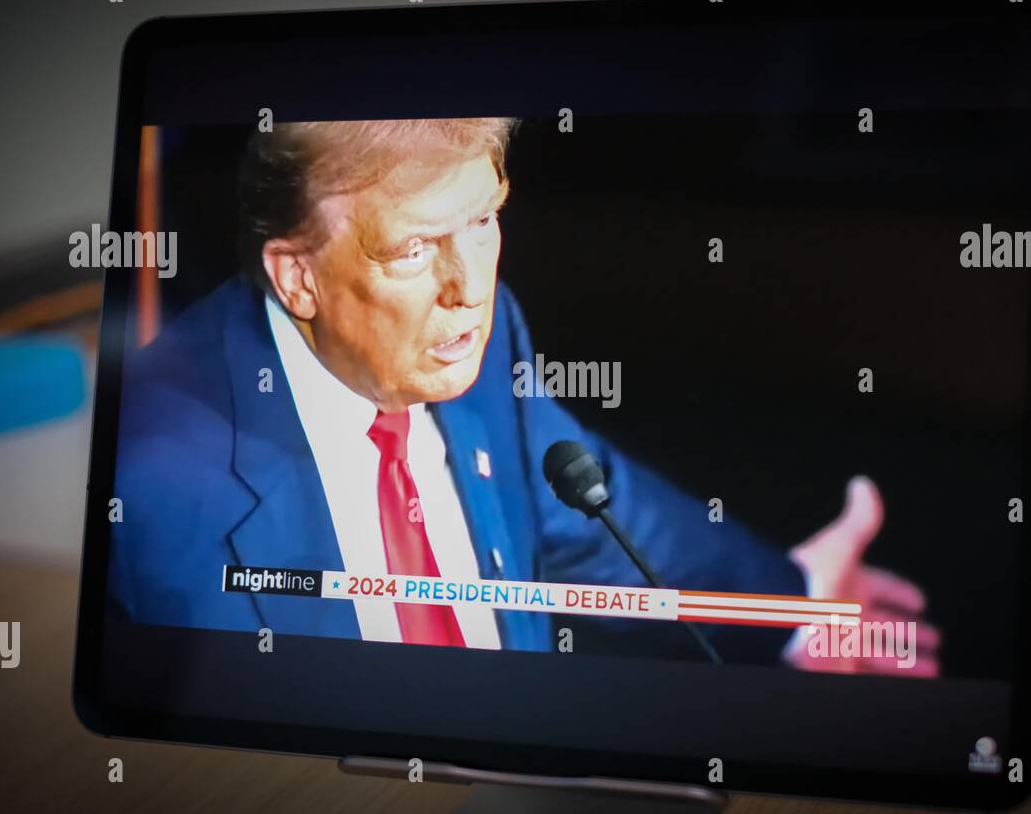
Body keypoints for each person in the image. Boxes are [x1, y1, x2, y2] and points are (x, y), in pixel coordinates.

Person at [109, 117, 939, 674]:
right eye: (413, 250)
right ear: (298, 275)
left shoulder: (478, 331)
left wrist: (789, 603)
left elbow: (589, 505)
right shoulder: (160, 492)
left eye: (483, 220)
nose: (469, 287)